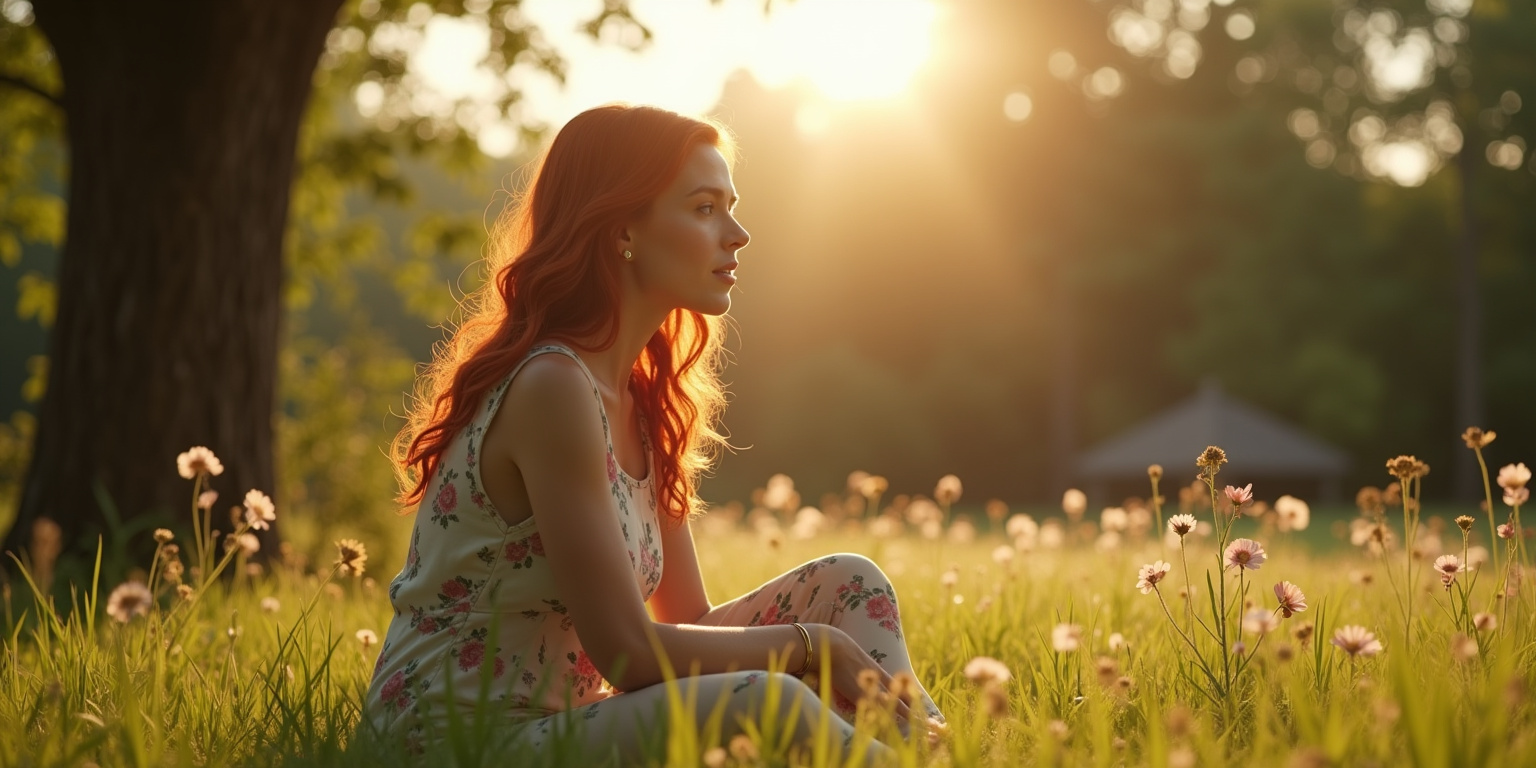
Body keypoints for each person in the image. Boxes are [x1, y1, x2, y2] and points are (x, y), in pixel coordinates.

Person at [361, 104, 945, 764]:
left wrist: (822, 634)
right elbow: (629, 654)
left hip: (561, 728)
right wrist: (812, 648)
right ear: (622, 230)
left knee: (848, 580)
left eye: (731, 205)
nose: (739, 233)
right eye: (703, 208)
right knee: (764, 698)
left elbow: (684, 622)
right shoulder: (552, 387)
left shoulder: (643, 402)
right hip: (452, 743)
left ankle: (936, 752)